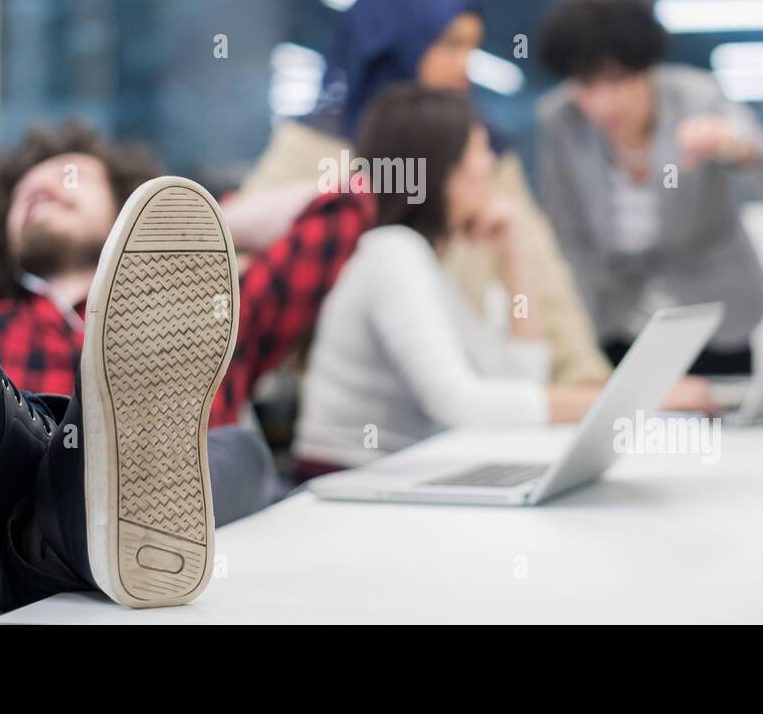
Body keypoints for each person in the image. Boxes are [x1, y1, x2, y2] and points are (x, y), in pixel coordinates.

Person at [0, 122, 372, 620]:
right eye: (25, 192)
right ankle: (48, 481)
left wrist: (191, 228)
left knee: (242, 452)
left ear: (121, 210)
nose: (42, 189)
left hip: (176, 592)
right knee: (22, 442)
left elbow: (347, 202)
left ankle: (25, 460)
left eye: (70, 179)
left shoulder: (204, 308)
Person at [293, 86, 715, 474]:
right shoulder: (391, 253)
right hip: (347, 482)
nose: (489, 163)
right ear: (444, 170)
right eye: (477, 149)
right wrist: (637, 402)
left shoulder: (426, 260)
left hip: (399, 475)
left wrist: (513, 255)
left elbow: (517, 386)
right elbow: (463, 405)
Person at [234, 0, 612, 387]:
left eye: (471, 47)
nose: (464, 64)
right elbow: (239, 270)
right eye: (450, 45)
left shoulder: (481, 152)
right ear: (395, 44)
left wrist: (586, 379)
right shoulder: (316, 150)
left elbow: (542, 281)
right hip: (360, 396)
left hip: (470, 386)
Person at [536, 0, 763, 375]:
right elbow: (568, 233)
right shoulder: (559, 121)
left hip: (718, 320)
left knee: (724, 430)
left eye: (616, 81)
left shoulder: (698, 97)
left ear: (646, 66)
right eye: (585, 84)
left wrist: (737, 148)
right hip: (617, 325)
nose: (602, 103)